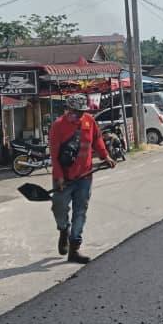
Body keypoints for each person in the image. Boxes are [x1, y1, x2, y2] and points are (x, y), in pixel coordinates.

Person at [48, 93, 115, 264]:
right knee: (59, 208)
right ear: (68, 109)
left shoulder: (89, 121)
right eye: (75, 111)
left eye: (81, 112)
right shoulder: (58, 126)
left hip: (84, 176)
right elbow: (54, 156)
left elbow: (97, 140)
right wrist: (59, 177)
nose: (78, 115)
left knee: (80, 212)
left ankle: (74, 248)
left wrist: (105, 156)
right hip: (63, 178)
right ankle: (63, 230)